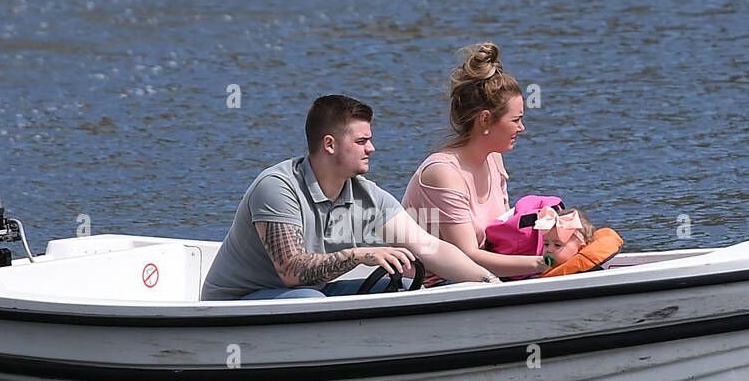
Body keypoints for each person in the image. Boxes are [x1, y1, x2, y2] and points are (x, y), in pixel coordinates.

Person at [201, 94, 500, 300]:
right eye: (361, 141)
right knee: (307, 300)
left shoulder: (365, 195)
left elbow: (430, 247)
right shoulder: (277, 188)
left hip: (311, 294)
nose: (371, 149)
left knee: (400, 288)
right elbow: (292, 272)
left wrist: (489, 283)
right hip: (237, 303)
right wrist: (360, 255)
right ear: (330, 145)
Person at [402, 43, 551, 284]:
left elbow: (499, 239)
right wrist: (545, 263)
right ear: (485, 119)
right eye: (516, 120)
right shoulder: (443, 173)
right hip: (433, 286)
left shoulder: (494, 158)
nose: (522, 128)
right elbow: (468, 257)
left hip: (481, 278)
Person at [536, 206, 625, 278]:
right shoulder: (546, 270)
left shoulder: (587, 276)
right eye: (546, 244)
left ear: (581, 248)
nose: (549, 250)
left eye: (557, 245)